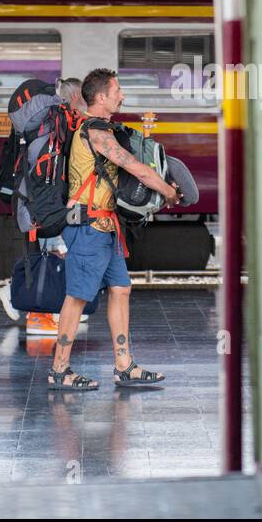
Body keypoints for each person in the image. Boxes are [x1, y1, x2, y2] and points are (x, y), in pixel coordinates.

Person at [48, 68, 180, 390]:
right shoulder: (95, 133)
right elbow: (135, 168)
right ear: (102, 97)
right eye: (117, 90)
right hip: (88, 226)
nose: (122, 96)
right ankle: (59, 370)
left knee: (121, 289)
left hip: (106, 226)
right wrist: (168, 191)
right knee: (77, 297)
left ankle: (124, 365)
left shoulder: (104, 129)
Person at [22, 77, 86, 336]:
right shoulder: (55, 125)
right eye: (82, 98)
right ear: (73, 98)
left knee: (52, 254)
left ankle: (52, 310)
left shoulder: (50, 123)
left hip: (45, 201)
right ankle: (37, 316)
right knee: (52, 255)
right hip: (47, 203)